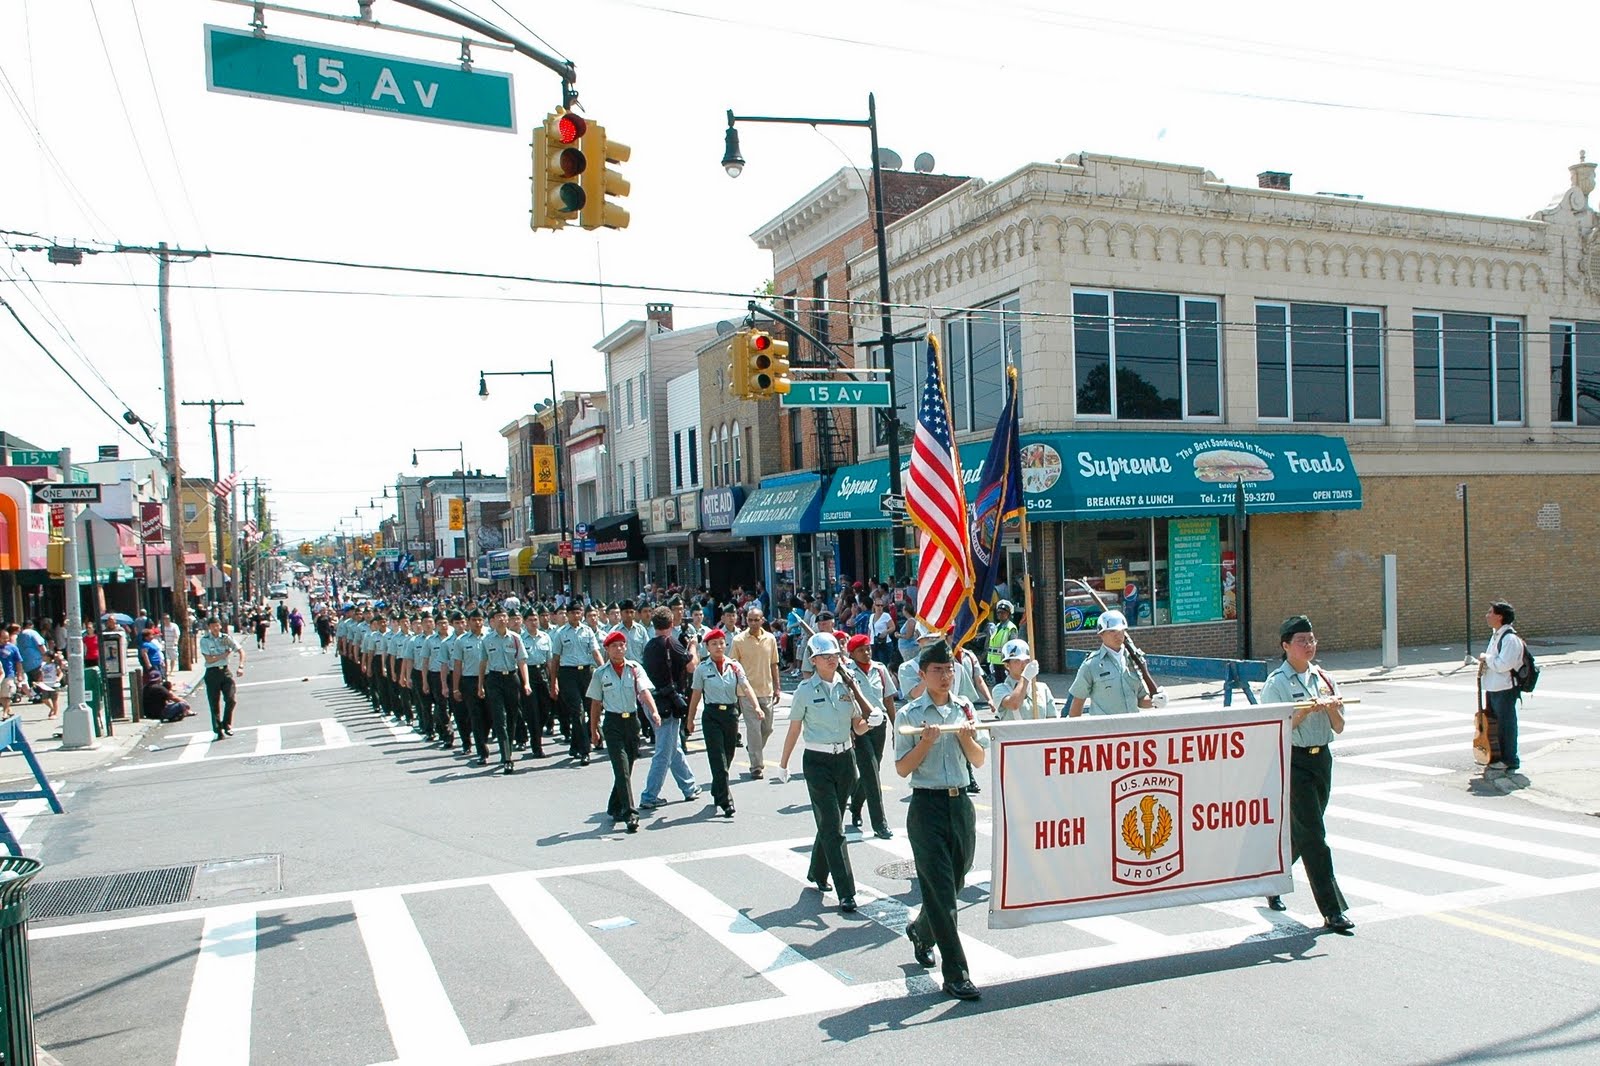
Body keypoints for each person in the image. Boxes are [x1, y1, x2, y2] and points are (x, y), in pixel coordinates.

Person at [895, 638, 987, 999]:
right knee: (942, 894)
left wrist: (966, 739)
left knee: (958, 881)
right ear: (922, 674)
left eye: (950, 669)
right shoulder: (910, 715)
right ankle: (956, 974)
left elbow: (978, 760)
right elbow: (903, 769)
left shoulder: (964, 709)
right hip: (927, 807)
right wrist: (925, 743)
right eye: (938, 670)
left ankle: (921, 929)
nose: (946, 676)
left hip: (960, 804)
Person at [1261, 615, 1354, 935]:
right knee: (1315, 836)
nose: (1309, 645)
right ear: (1286, 646)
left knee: (1303, 831)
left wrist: (1329, 707)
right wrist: (1305, 710)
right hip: (1295, 762)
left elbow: (1339, 726)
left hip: (1321, 760)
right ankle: (1332, 910)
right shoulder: (1277, 683)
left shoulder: (1325, 678)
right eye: (1302, 641)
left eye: (1312, 640)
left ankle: (1270, 878)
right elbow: (1275, 728)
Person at [776, 632, 874, 913]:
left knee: (831, 821)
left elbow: (856, 725)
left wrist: (871, 722)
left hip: (845, 759)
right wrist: (783, 764)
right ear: (814, 660)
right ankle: (847, 892)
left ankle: (818, 872)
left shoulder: (847, 686)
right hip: (817, 761)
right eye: (825, 656)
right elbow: (794, 728)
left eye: (834, 655)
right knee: (834, 827)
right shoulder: (805, 691)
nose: (831, 660)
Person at [586, 631, 662, 833]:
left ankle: (614, 805)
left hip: (632, 723)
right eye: (614, 646)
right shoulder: (600, 674)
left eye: (621, 645)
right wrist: (594, 730)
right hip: (612, 723)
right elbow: (595, 703)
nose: (618, 649)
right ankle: (630, 813)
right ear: (607, 650)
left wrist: (654, 712)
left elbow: (644, 691)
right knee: (621, 768)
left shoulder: (635, 669)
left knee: (627, 766)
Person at [684, 628, 755, 817]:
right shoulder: (702, 669)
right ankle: (726, 801)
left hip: (731, 714)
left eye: (721, 643)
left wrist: (756, 707)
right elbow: (696, 695)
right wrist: (690, 720)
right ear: (707, 647)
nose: (718, 647)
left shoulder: (734, 666)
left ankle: (717, 789)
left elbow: (745, 686)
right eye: (714, 644)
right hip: (712, 716)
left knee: (729, 755)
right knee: (718, 759)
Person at [641, 610, 702, 811]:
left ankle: (689, 786)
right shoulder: (670, 643)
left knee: (673, 746)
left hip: (652, 701)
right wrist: (692, 645)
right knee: (663, 752)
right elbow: (692, 666)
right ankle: (649, 795)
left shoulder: (650, 646)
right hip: (667, 702)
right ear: (671, 622)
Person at [844, 633, 896, 839]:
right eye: (860, 650)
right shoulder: (847, 672)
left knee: (872, 770)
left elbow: (888, 699)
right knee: (871, 773)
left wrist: (894, 725)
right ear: (852, 653)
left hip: (879, 724)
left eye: (867, 648)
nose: (866, 653)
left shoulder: (880, 669)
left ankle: (855, 805)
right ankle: (880, 823)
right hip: (860, 726)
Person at [1067, 610, 1156, 717]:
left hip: (1133, 727)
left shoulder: (1133, 661)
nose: (1118, 636)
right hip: (1105, 729)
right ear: (1101, 634)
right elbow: (1077, 703)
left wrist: (1155, 701)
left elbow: (1140, 699)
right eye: (1112, 631)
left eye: (1121, 631)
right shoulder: (1091, 665)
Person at [478, 606, 530, 774]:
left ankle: (509, 748)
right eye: (498, 616)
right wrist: (480, 685)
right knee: (499, 718)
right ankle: (506, 757)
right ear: (492, 620)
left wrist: (526, 683)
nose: (502, 619)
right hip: (494, 679)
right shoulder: (487, 640)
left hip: (511, 678)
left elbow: (522, 661)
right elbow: (483, 664)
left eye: (504, 616)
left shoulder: (515, 638)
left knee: (512, 717)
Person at [731, 605, 780, 778]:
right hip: (746, 693)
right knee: (753, 729)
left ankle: (753, 748)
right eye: (750, 620)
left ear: (762, 620)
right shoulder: (738, 640)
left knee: (767, 729)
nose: (753, 623)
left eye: (756, 620)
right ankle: (756, 766)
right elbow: (733, 667)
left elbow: (774, 664)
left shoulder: (770, 639)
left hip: (766, 690)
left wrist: (777, 688)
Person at [1478, 601, 1524, 776]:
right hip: (1493, 687)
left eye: (1490, 612)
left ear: (1500, 616)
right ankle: (1497, 756)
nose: (1487, 615)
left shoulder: (1510, 639)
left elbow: (1504, 664)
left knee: (1506, 724)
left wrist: (1486, 658)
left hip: (1505, 688)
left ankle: (1509, 759)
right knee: (1494, 725)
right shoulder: (1496, 635)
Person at [554, 602, 601, 764]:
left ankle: (575, 744)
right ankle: (584, 750)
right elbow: (555, 659)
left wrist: (603, 671)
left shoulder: (587, 631)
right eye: (573, 613)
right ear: (567, 615)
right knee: (578, 711)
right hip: (568, 674)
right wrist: (553, 682)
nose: (576, 615)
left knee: (590, 709)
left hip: (586, 673)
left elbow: (595, 653)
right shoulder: (560, 633)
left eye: (578, 612)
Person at [199, 615, 246, 740]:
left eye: (217, 626)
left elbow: (240, 651)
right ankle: (218, 729)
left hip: (225, 671)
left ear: (220, 626)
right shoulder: (205, 640)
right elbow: (209, 659)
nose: (215, 628)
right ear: (209, 627)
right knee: (214, 703)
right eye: (212, 626)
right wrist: (224, 654)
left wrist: (241, 666)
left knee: (231, 699)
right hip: (212, 673)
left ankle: (227, 723)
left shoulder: (225, 638)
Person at [451, 610, 489, 762]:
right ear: (469, 621)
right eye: (474, 620)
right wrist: (455, 687)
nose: (477, 623)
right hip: (470, 681)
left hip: (490, 679)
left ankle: (483, 738)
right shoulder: (461, 640)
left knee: (490, 715)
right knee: (475, 715)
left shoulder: (490, 636)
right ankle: (482, 751)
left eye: (480, 619)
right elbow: (457, 665)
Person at [992, 640, 1057, 721]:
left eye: (1027, 661)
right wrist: (1025, 677)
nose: (1024, 665)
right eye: (1017, 661)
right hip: (1015, 733)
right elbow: (1014, 705)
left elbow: (1052, 720)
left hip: (1040, 732)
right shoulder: (1000, 689)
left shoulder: (1042, 688)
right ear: (1007, 665)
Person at [984, 600, 1019, 683]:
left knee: (1006, 684)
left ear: (1008, 614)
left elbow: (1013, 646)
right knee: (999, 685)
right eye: (999, 613)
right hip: (995, 661)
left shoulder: (1011, 628)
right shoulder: (997, 626)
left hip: (1004, 661)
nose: (1000, 615)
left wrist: (1009, 661)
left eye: (1003, 613)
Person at [0, 627, 26, 719]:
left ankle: (5, 713)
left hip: (9, 674)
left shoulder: (13, 648)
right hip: (0, 674)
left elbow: (18, 661)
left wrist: (19, 674)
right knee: (1, 695)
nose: (6, 640)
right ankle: (8, 709)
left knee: (6, 694)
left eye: (7, 638)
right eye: (3, 638)